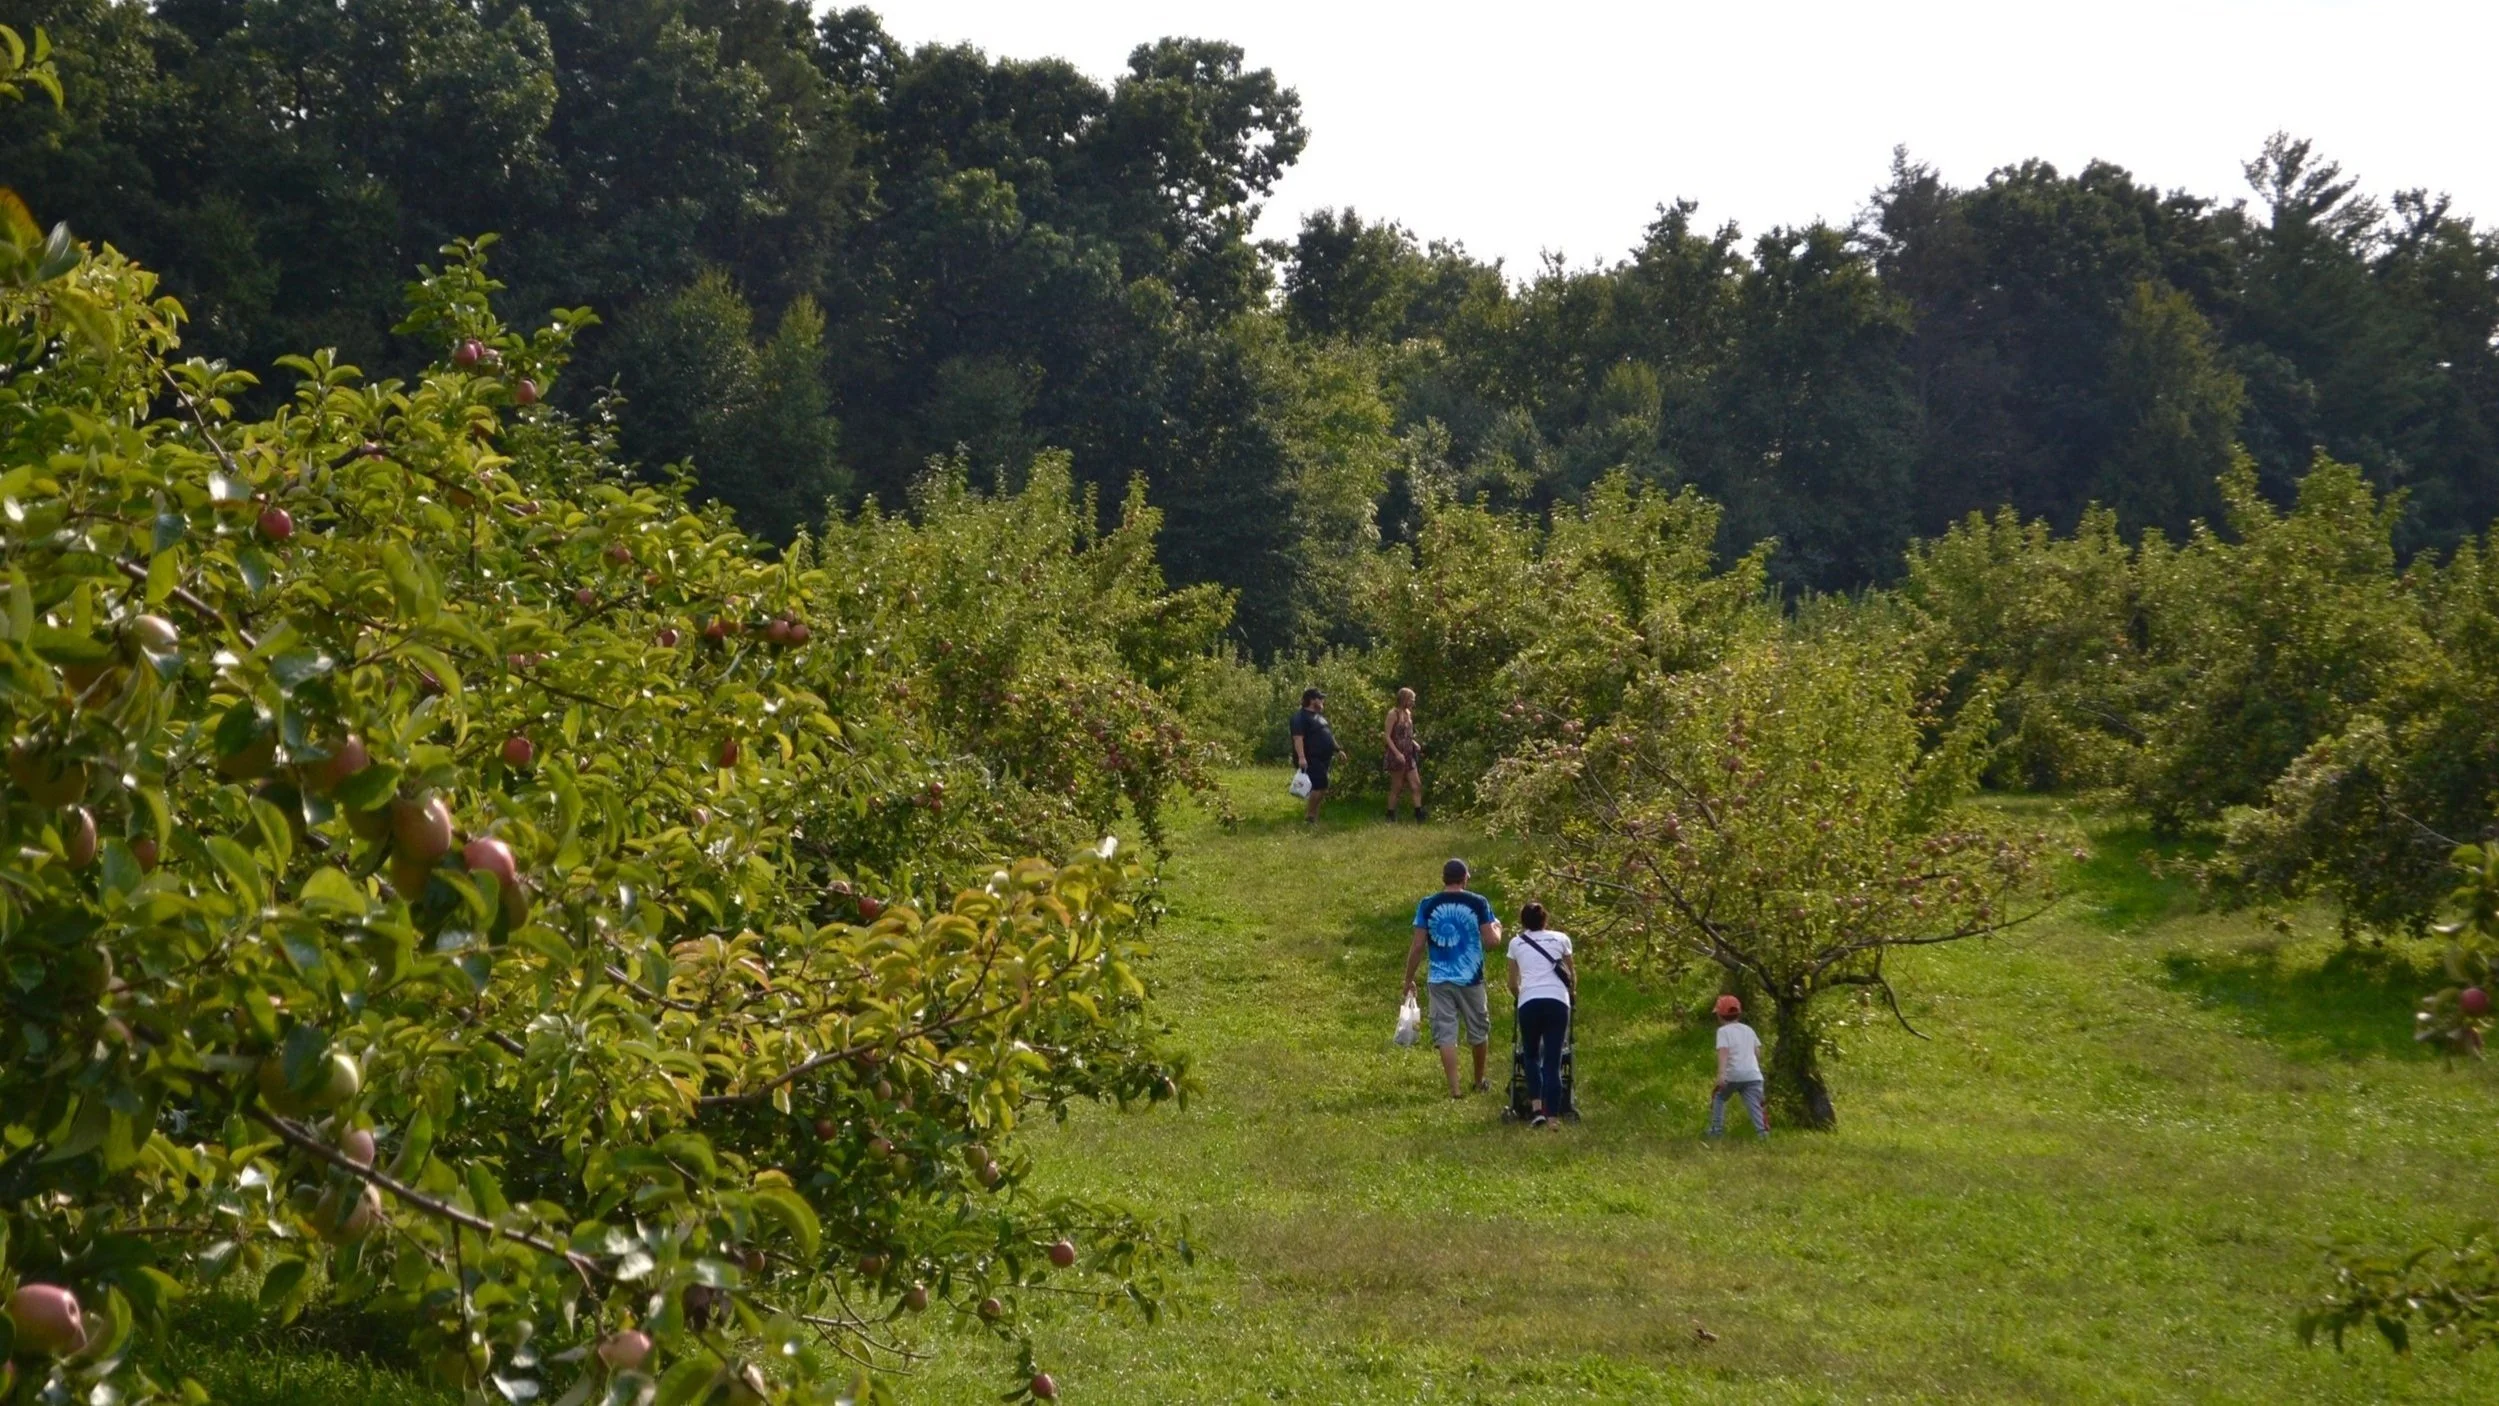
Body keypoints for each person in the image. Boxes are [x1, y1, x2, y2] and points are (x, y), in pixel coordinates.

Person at [1404, 858, 1501, 1098]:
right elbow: (1491, 942)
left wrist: (1408, 979)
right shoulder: (1478, 902)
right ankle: (1478, 1081)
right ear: (1465, 878)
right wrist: (1498, 927)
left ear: (1443, 878)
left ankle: (1455, 1089)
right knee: (1478, 1030)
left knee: (1445, 1033)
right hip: (1471, 978)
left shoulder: (1427, 904)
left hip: (1439, 978)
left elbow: (1417, 946)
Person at [1504, 901, 1574, 1128]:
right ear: (1545, 919)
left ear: (1523, 921)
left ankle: (1537, 1109)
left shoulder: (1516, 943)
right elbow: (1571, 976)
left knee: (1531, 1055)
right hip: (1557, 1001)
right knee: (1553, 1061)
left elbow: (1512, 982)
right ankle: (1553, 1117)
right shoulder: (1561, 939)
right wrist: (1571, 994)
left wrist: (1520, 995)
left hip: (1530, 1002)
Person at [1708, 994, 1769, 1140]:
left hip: (1733, 1074)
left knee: (1719, 1097)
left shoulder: (1723, 1032)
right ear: (1739, 1013)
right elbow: (1757, 1053)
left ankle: (1716, 1130)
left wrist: (1721, 1073)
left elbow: (1724, 1052)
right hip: (1753, 1075)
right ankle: (1762, 1133)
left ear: (1719, 1015)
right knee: (1755, 1104)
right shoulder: (1749, 1030)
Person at [1288, 687, 1335, 824]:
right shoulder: (1300, 717)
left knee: (1322, 787)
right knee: (1319, 786)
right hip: (1311, 758)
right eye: (1320, 698)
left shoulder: (1319, 716)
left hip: (1323, 758)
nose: (1323, 701)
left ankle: (1314, 816)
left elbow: (1328, 734)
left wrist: (1338, 749)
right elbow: (1298, 738)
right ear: (1312, 700)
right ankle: (1309, 817)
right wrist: (1302, 757)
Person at [1382, 687, 1425, 822]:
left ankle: (1419, 814)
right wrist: (1397, 753)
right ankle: (1390, 814)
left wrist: (1414, 743)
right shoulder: (1393, 714)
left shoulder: (1408, 713)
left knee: (1416, 785)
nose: (1413, 702)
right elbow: (1387, 736)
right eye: (1411, 699)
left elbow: (1407, 735)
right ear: (1404, 699)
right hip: (1397, 754)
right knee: (1397, 786)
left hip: (1409, 753)